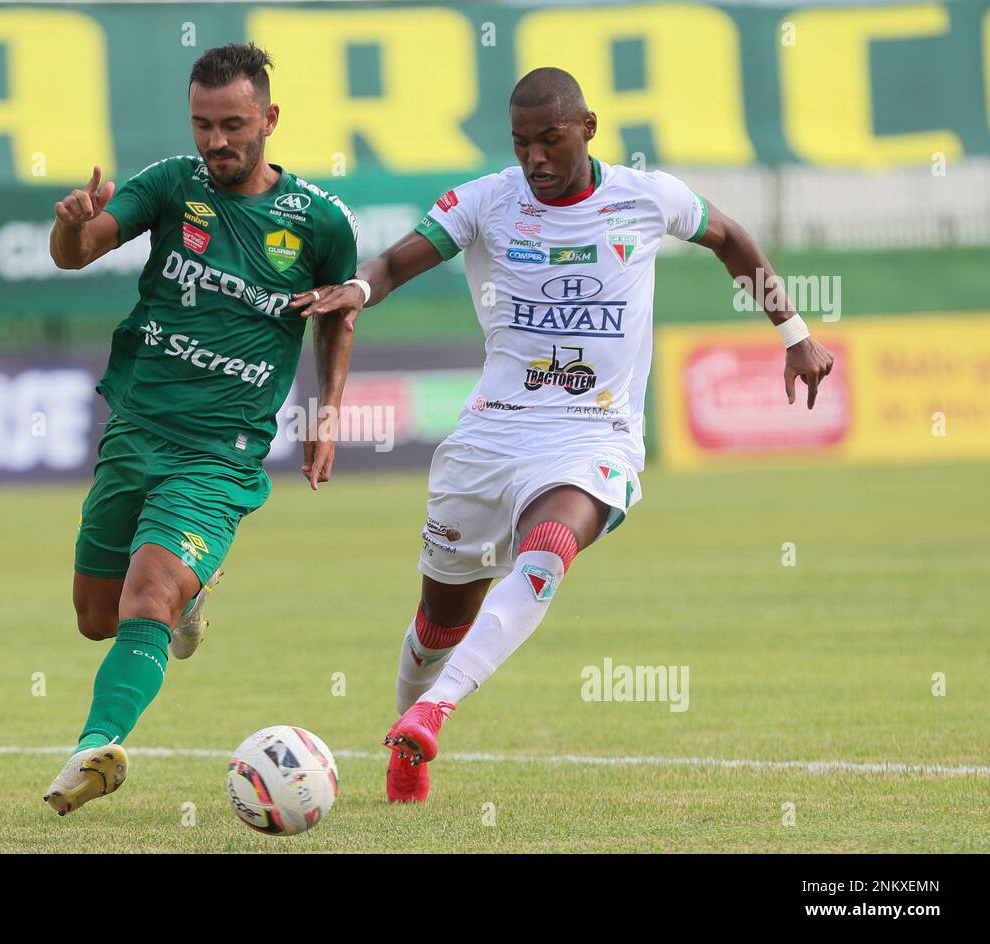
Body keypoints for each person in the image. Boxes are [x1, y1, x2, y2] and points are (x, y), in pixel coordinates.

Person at [290, 67, 834, 803]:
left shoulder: (645, 199)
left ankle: (433, 712)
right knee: (440, 620)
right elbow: (392, 263)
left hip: (595, 435)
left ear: (589, 128)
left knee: (548, 555)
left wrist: (794, 333)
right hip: (490, 439)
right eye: (521, 144)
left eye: (550, 140)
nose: (535, 159)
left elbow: (730, 237)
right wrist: (355, 290)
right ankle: (406, 735)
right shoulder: (487, 200)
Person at [42, 43, 360, 815]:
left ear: (270, 120)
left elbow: (338, 313)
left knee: (144, 595)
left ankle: (97, 745)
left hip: (223, 453)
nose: (216, 142)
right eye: (203, 125)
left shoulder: (319, 221)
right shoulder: (169, 188)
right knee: (96, 617)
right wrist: (72, 228)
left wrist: (326, 412)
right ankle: (191, 602)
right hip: (138, 429)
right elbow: (78, 254)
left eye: (234, 125)